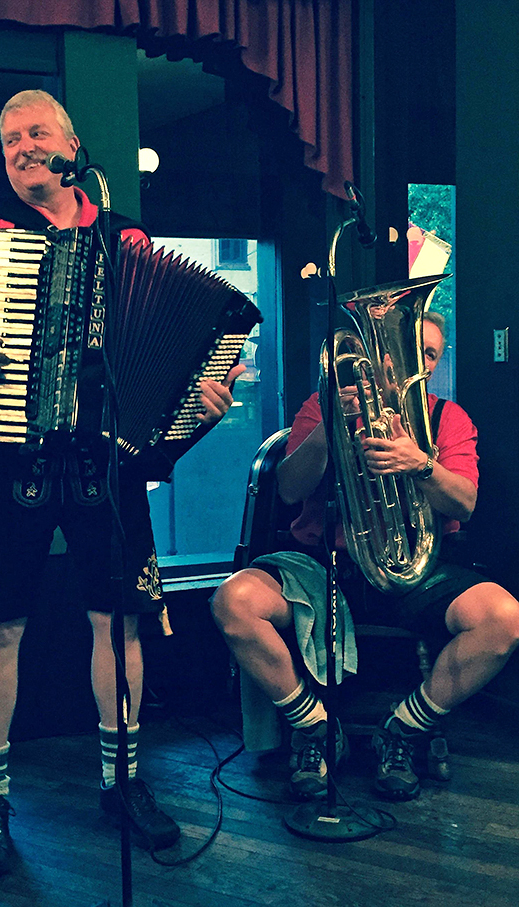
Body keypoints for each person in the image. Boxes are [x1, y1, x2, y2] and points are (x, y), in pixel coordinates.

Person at [0, 89, 244, 879]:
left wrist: (198, 401)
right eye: (9, 138)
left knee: (120, 623)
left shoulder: (126, 238)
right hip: (9, 457)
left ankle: (123, 782)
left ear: (72, 148)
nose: (21, 146)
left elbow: (167, 354)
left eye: (35, 132)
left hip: (105, 460)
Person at [212, 312, 519, 802]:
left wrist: (420, 464)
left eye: (429, 353)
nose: (416, 361)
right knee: (232, 602)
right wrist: (329, 428)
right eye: (407, 347)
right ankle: (313, 726)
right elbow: (289, 489)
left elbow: (464, 503)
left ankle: (403, 728)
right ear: (378, 353)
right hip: (322, 563)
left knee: (505, 619)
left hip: (415, 566)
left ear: (434, 365)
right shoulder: (324, 404)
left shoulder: (448, 417)